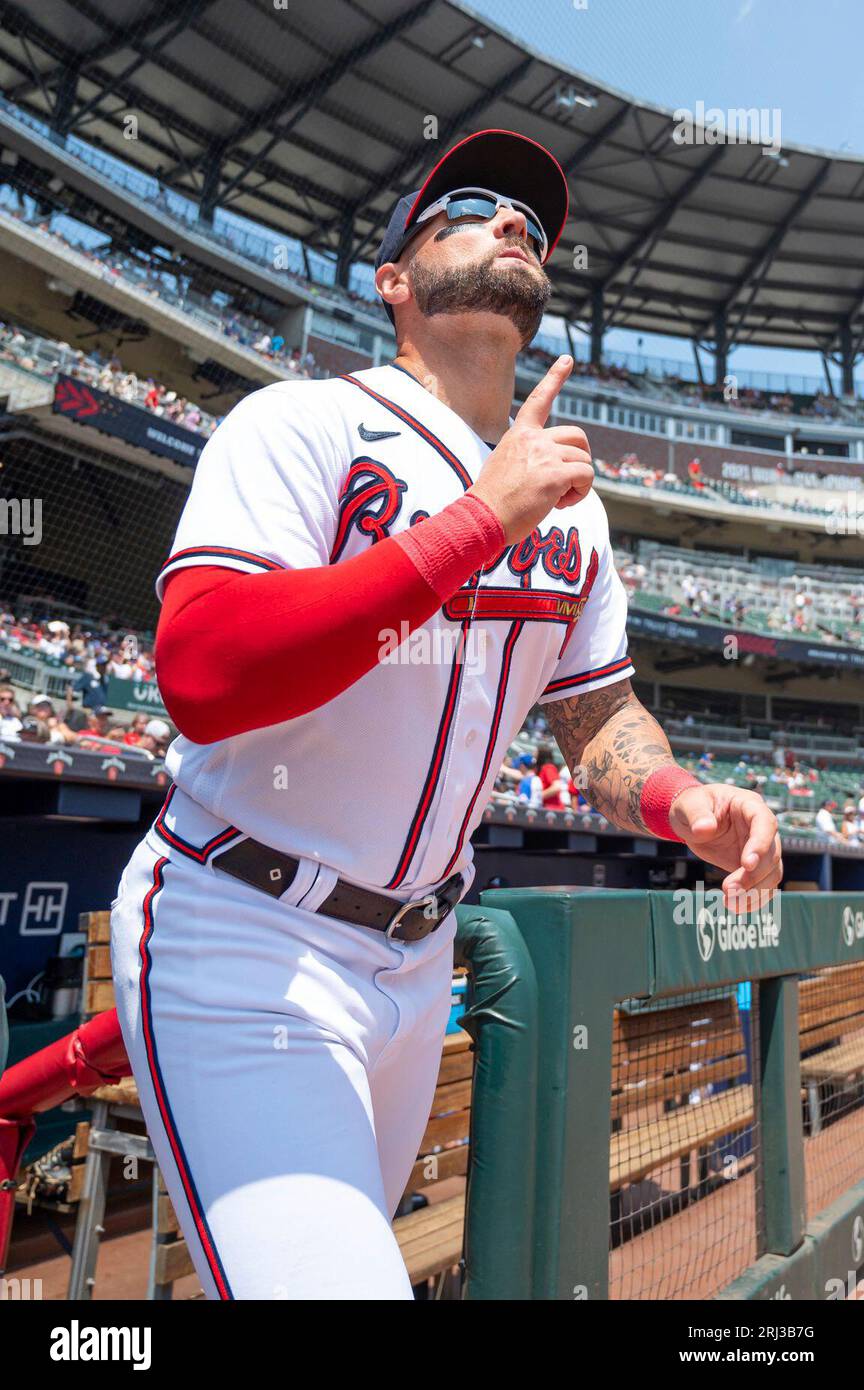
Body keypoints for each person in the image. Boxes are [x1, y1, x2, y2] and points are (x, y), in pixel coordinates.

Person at [109, 128, 781, 1301]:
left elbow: (598, 720)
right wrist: (481, 520)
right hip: (247, 928)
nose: (514, 223)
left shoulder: (573, 509)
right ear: (396, 281)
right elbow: (205, 672)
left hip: (420, 966)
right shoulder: (301, 425)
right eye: (468, 208)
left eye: (532, 221)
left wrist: (686, 800)